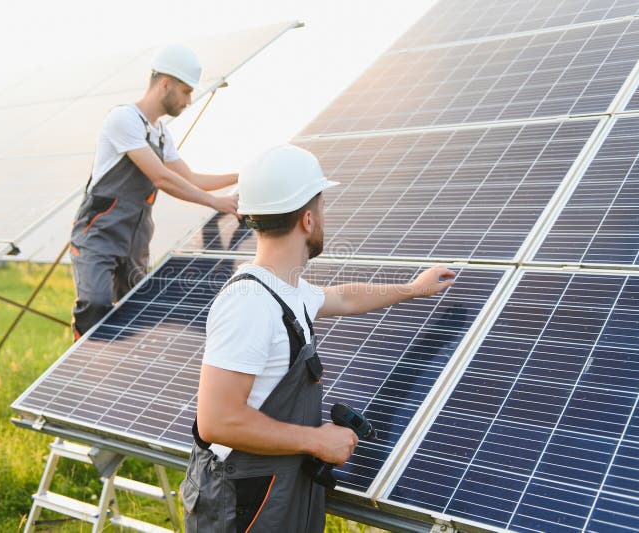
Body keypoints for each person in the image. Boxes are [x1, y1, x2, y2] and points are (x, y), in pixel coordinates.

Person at [181, 144, 456, 532]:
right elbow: (217, 421)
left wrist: (413, 288)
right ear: (308, 220)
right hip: (244, 503)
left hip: (276, 490)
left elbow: (343, 295)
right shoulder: (248, 303)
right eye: (323, 207)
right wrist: (315, 440)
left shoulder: (285, 289)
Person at [70, 43, 239, 338]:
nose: (189, 99)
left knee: (132, 313)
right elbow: (161, 177)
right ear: (165, 84)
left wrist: (240, 176)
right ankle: (79, 368)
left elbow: (190, 178)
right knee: (95, 304)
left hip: (136, 240)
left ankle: (114, 373)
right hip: (100, 235)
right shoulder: (123, 120)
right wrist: (216, 203)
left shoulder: (161, 135)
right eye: (186, 91)